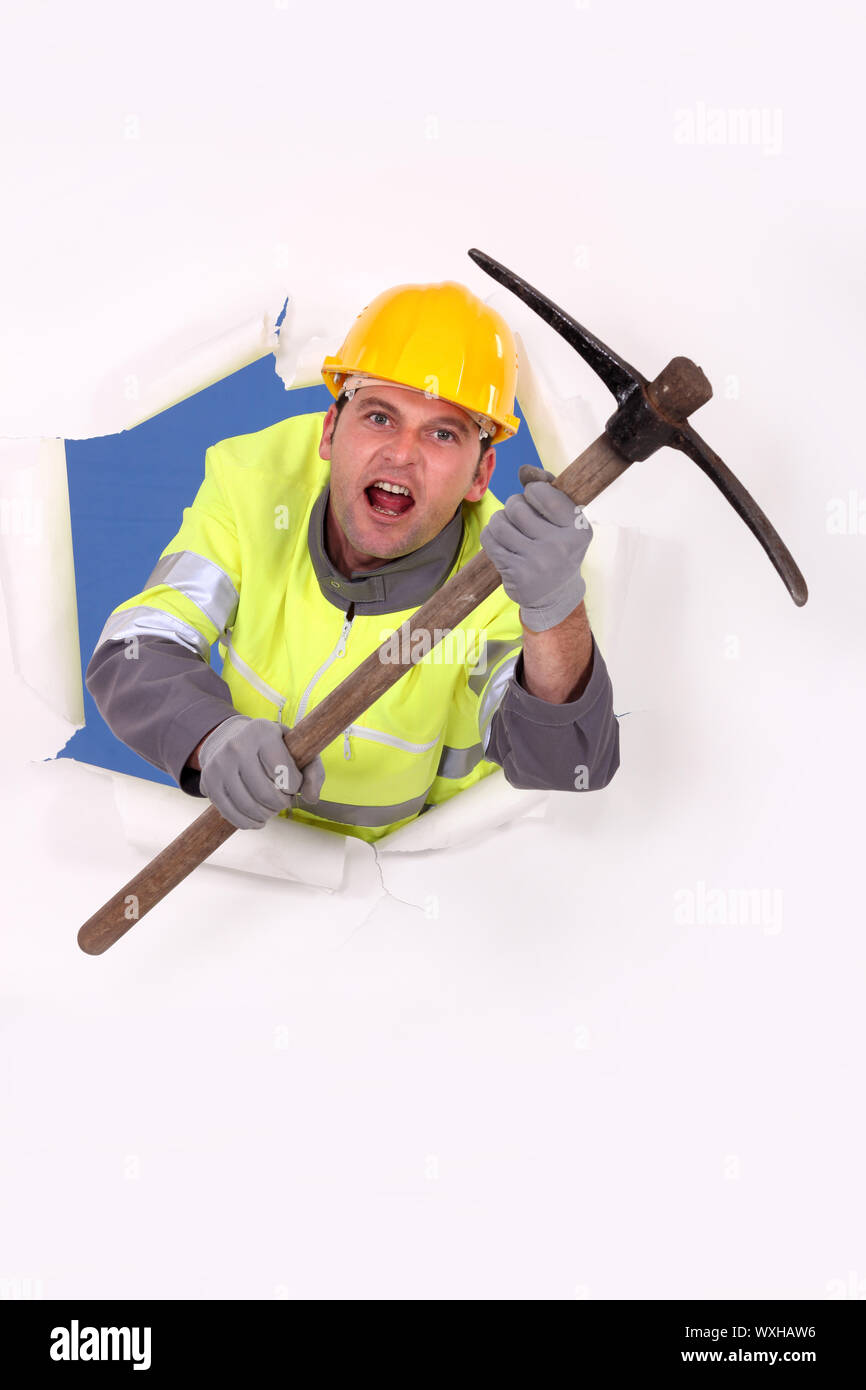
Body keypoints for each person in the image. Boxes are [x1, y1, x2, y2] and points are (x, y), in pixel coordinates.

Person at [85, 280, 620, 842]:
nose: (402, 453)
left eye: (443, 433)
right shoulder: (254, 485)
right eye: (380, 417)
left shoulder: (513, 579)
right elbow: (133, 649)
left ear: (479, 476)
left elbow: (568, 765)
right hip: (254, 854)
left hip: (413, 887)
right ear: (330, 430)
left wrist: (555, 607)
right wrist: (211, 736)